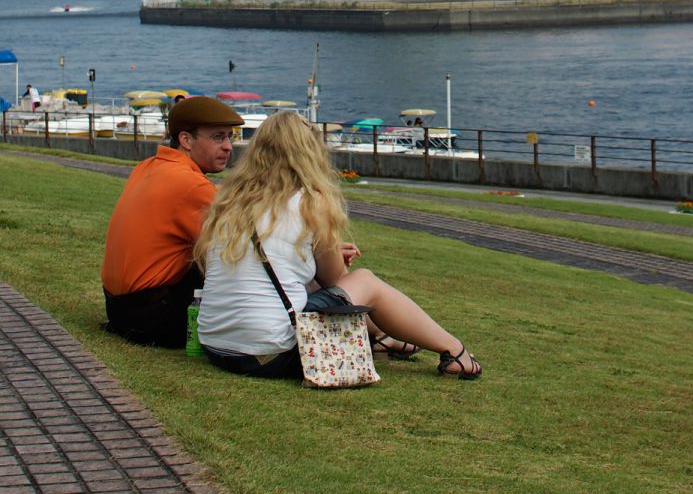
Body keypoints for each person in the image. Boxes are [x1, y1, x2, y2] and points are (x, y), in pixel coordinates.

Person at [195, 111, 482, 380]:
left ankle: (385, 339)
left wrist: (310, 253)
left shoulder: (227, 201)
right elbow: (336, 280)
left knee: (312, 285)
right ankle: (453, 350)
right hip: (271, 354)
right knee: (365, 281)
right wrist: (331, 257)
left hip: (217, 348)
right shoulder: (310, 203)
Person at [101, 96, 245, 348]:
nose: (228, 147)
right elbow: (240, 241)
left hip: (118, 307)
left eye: (229, 137)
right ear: (186, 140)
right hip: (155, 316)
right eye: (217, 137)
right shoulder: (190, 184)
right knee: (238, 257)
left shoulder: (148, 167)